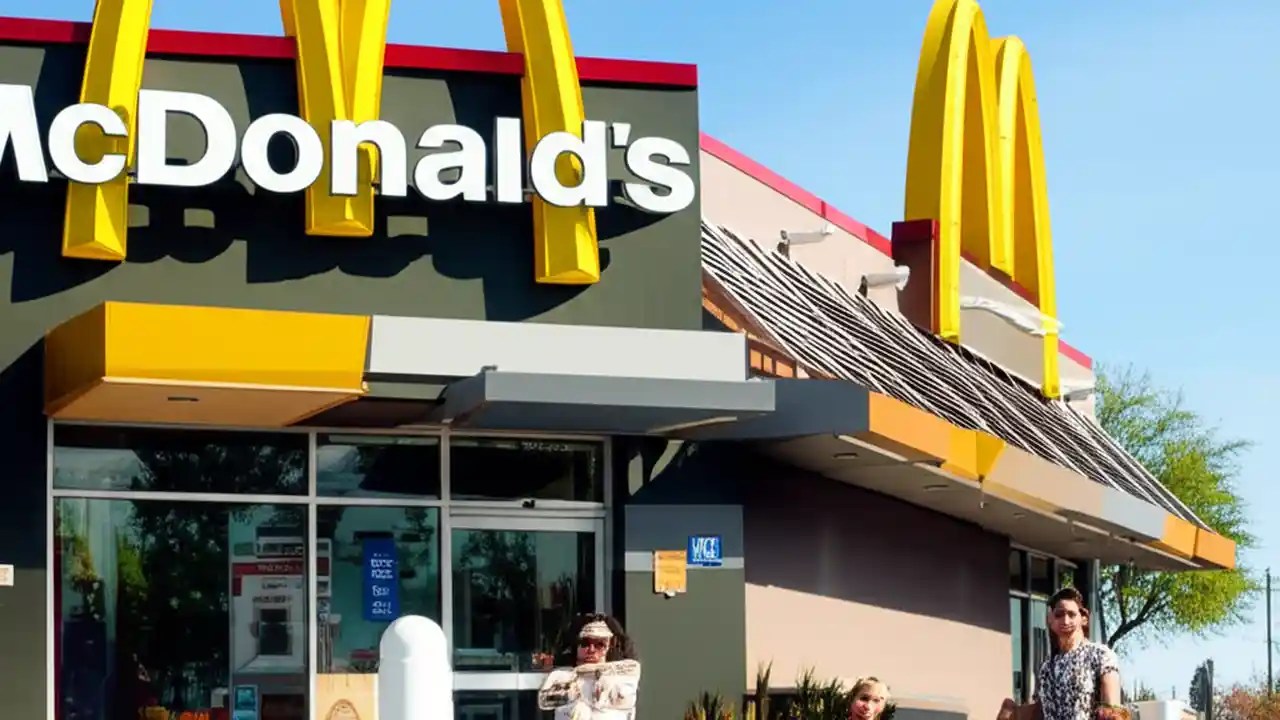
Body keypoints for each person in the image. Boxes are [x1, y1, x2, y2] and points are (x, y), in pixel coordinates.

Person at [998, 587, 1126, 720]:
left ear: (1083, 619)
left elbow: (1112, 707)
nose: (1065, 621)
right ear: (1050, 620)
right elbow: (1041, 711)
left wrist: (1111, 711)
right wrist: (1013, 712)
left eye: (1071, 614)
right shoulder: (1047, 667)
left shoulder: (1100, 654)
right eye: (1059, 615)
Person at [538, 613, 641, 720]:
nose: (591, 650)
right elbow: (544, 700)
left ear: (611, 648)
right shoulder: (561, 676)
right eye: (584, 643)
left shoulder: (623, 677)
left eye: (600, 645)